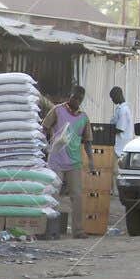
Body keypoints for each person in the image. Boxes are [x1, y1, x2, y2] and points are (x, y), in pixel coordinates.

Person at [43, 86, 91, 237]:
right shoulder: (57, 110)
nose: (76, 101)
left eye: (79, 99)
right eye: (74, 97)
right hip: (56, 159)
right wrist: (46, 145)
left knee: (77, 196)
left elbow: (88, 141)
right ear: (70, 96)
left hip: (74, 162)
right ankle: (51, 230)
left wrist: (91, 160)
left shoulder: (84, 117)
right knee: (53, 195)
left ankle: (78, 230)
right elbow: (44, 127)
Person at [110, 86, 135, 155]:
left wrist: (106, 130)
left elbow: (120, 129)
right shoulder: (121, 108)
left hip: (121, 148)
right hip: (120, 147)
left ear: (117, 95)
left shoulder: (123, 110)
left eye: (112, 97)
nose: (112, 100)